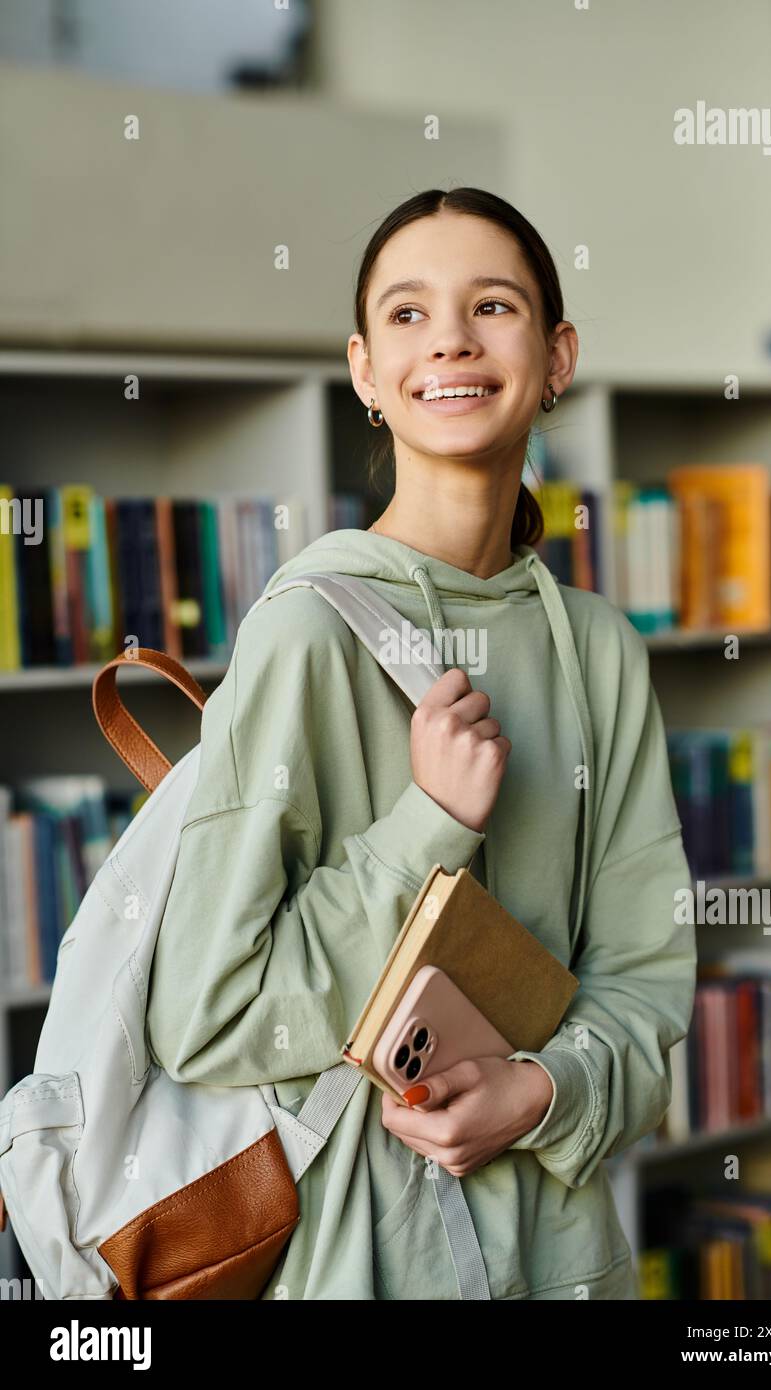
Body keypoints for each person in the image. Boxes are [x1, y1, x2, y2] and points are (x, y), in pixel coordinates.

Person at [145, 186, 697, 1300]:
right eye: (406, 314)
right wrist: (426, 827)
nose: (447, 336)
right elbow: (206, 1017)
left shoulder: (598, 651)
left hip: (565, 1261)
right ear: (362, 371)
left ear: (555, 357)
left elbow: (647, 983)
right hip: (356, 1262)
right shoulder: (303, 632)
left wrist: (541, 1095)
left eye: (491, 305)